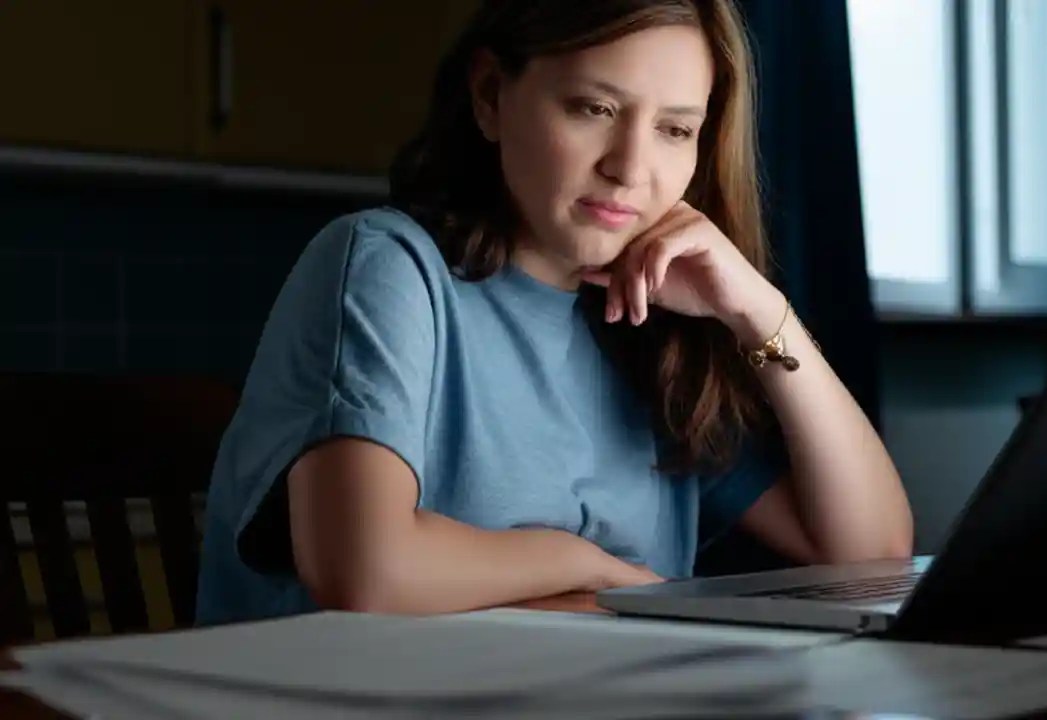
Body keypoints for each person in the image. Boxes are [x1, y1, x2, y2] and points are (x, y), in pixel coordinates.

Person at [194, 0, 913, 626]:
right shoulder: (388, 266)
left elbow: (870, 552)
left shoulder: (653, 332)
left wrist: (759, 311)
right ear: (488, 96)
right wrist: (589, 567)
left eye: (674, 129)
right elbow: (364, 566)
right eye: (594, 108)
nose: (631, 168)